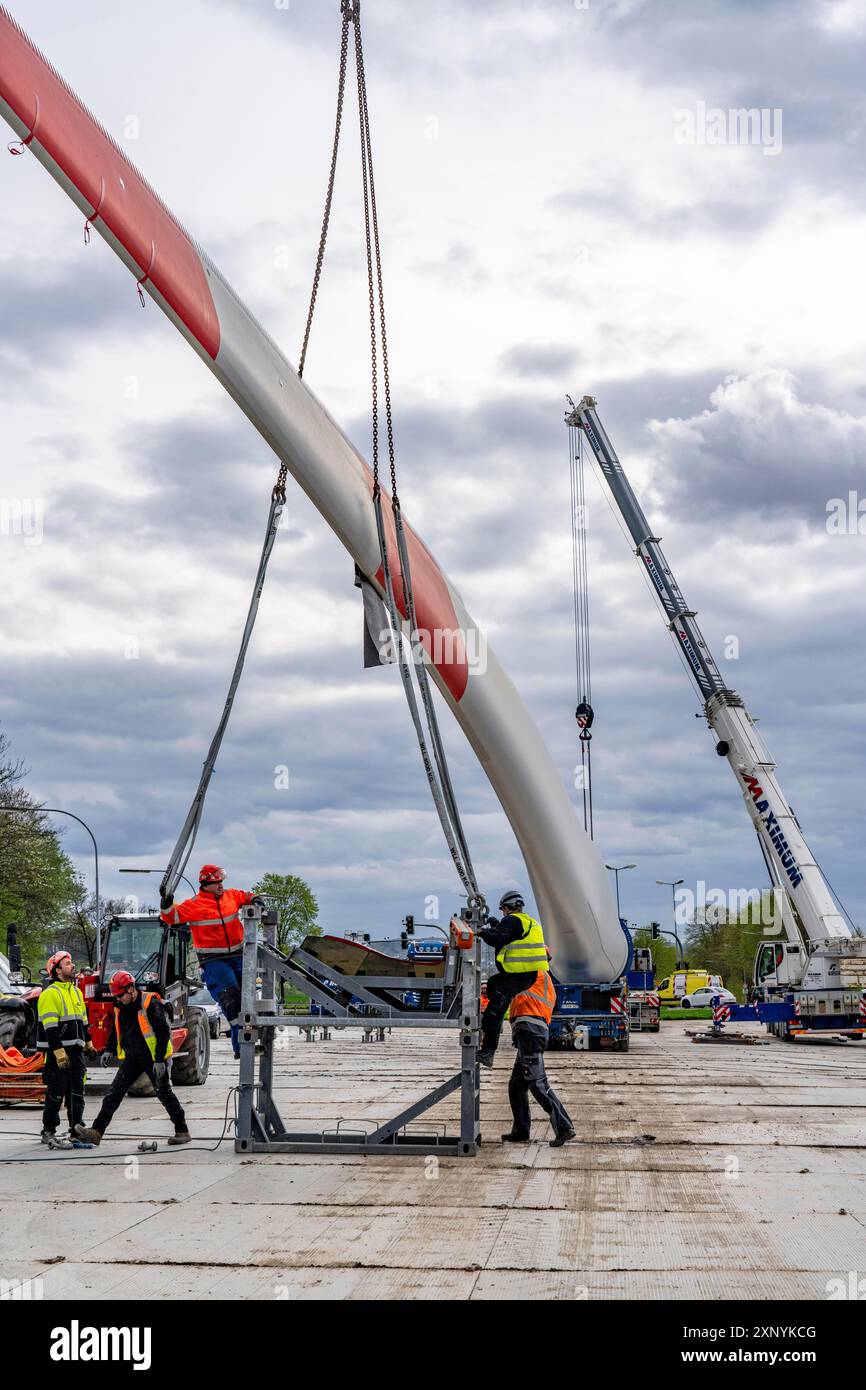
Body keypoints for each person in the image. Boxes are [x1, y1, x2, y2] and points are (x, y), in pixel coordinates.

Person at [74, 971, 190, 1146]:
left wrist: (160, 1060)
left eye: (120, 995)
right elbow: (116, 1028)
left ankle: (182, 1131)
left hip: (153, 1059)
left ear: (130, 989)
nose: (118, 998)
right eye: (115, 995)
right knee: (114, 1093)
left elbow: (163, 1032)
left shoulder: (151, 1003)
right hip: (133, 1058)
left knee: (164, 1094)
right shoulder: (120, 1005)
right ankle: (96, 1132)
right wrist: (109, 1049)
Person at [160, 864, 259, 1059]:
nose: (221, 885)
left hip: (239, 955)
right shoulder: (194, 905)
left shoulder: (231, 896)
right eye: (217, 882)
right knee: (231, 999)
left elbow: (247, 895)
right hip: (214, 960)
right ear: (206, 884)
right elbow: (170, 916)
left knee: (248, 999)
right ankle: (242, 1046)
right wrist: (166, 902)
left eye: (222, 882)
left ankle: (248, 1041)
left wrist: (256, 899)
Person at [501, 968, 575, 1148]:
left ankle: (564, 1126)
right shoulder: (543, 979)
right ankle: (521, 1130)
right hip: (531, 1031)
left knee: (537, 1082)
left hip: (530, 1031)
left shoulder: (534, 973)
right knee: (517, 1085)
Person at [478, 889, 549, 1067]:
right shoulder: (528, 922)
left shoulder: (511, 920)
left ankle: (487, 1052)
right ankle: (493, 1024)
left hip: (517, 975)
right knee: (493, 983)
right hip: (527, 975)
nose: (502, 913)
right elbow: (507, 932)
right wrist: (494, 923)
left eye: (502, 910)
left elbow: (499, 937)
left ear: (507, 908)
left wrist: (481, 932)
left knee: (494, 1011)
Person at [37, 950, 95, 1147]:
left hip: (77, 1052)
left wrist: (88, 1042)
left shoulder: (76, 992)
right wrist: (59, 1052)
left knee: (77, 1091)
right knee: (56, 1092)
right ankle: (48, 1130)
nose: (73, 966)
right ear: (57, 970)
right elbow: (50, 1029)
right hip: (58, 1054)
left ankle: (76, 1128)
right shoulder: (50, 994)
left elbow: (83, 1022)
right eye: (68, 963)